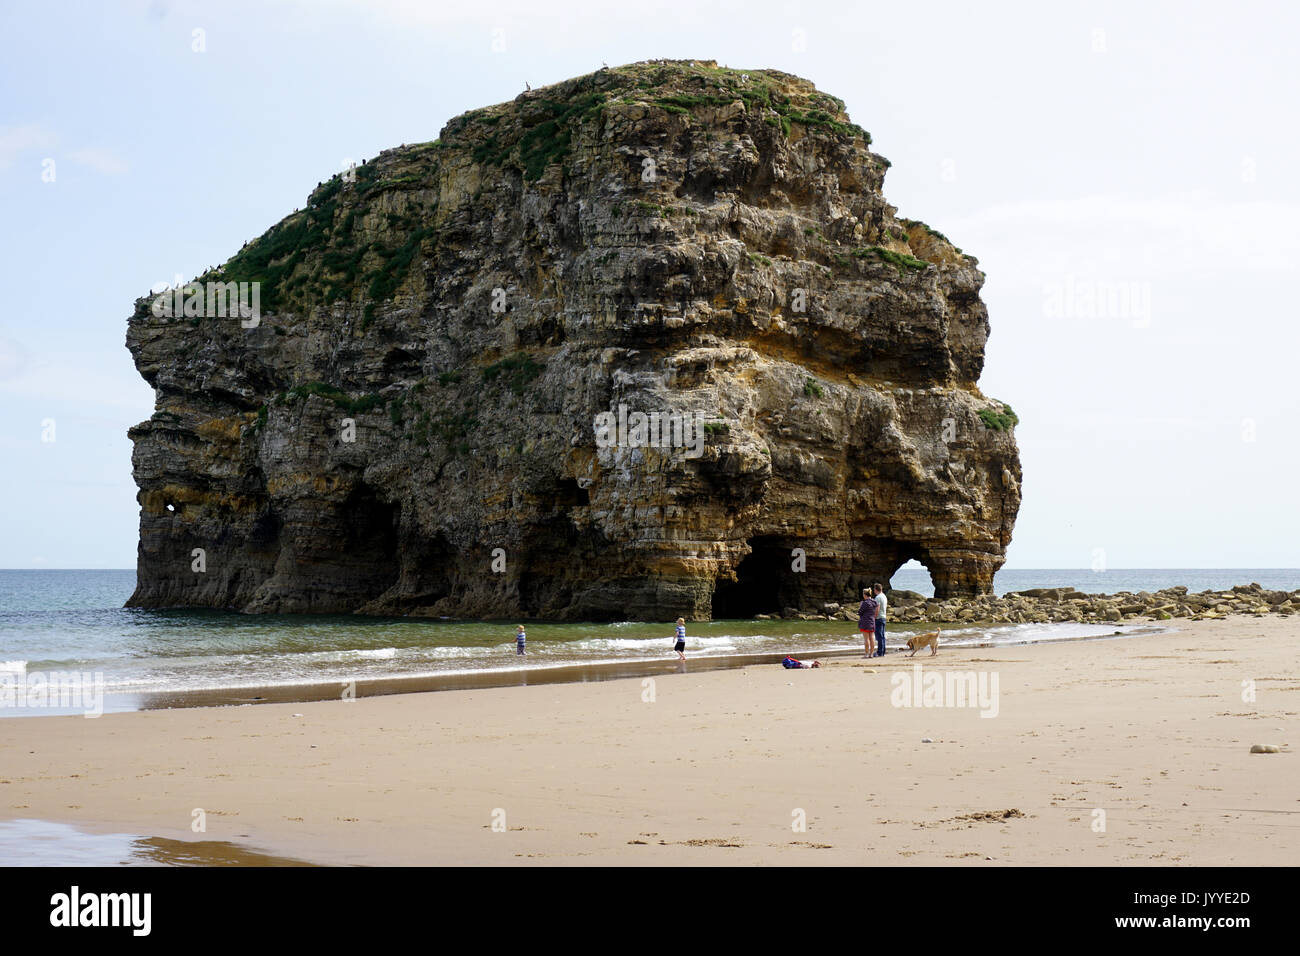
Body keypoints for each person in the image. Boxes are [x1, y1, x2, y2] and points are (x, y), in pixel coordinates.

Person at [857, 588, 878, 658]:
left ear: (865, 595)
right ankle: (871, 654)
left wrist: (860, 605)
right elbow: (876, 610)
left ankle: (866, 653)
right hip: (872, 621)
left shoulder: (865, 603)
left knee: (866, 639)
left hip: (865, 622)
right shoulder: (874, 602)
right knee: (872, 638)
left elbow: (860, 612)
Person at [872, 583, 888, 657]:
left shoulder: (878, 597)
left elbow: (877, 608)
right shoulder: (884, 596)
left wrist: (874, 617)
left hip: (879, 618)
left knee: (879, 636)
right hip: (883, 617)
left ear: (875, 590)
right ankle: (882, 651)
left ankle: (879, 652)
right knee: (882, 636)